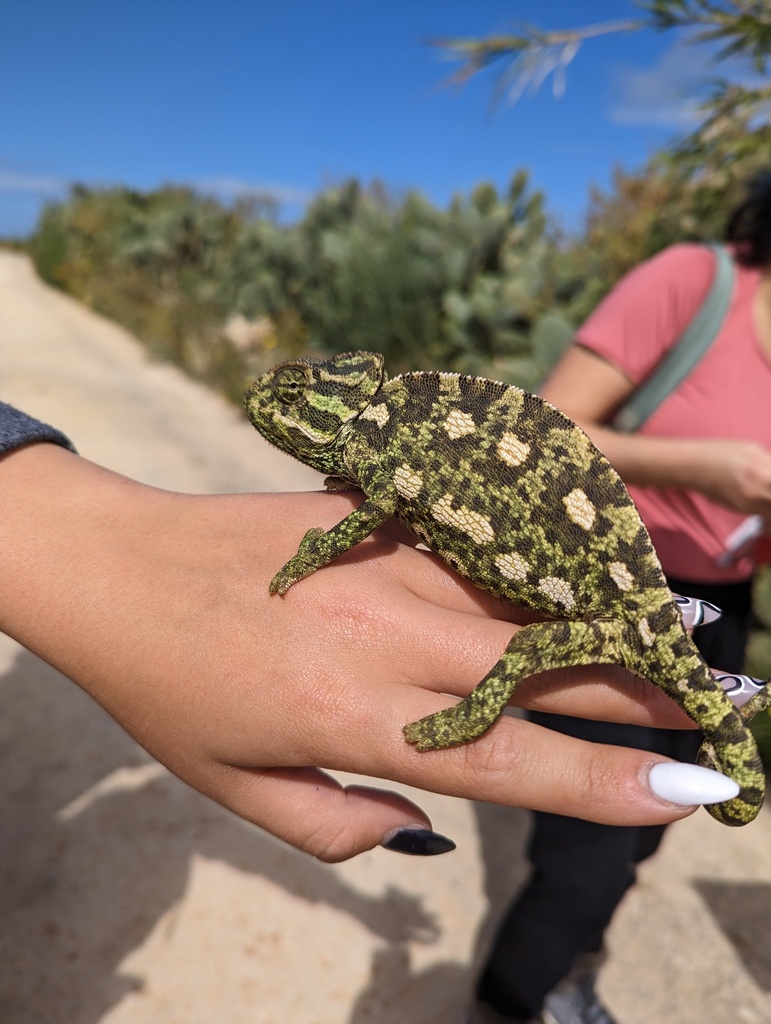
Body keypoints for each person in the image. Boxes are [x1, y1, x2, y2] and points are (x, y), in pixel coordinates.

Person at [0, 402, 739, 864]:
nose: (277, 414)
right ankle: (724, 722)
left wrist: (311, 555)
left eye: (296, 406)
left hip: (609, 604)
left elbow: (375, 508)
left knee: (524, 649)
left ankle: (483, 713)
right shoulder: (385, 436)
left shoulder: (384, 443)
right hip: (600, 591)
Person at [473, 171, 771, 1024]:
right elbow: (540, 426)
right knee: (589, 845)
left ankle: (569, 976)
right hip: (610, 587)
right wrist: (697, 467)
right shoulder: (696, 281)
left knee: (649, 823)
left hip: (721, 612)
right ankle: (510, 1001)